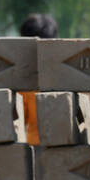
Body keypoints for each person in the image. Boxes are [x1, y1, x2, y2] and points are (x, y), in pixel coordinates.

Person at [18, 13, 58, 144]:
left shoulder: (21, 82)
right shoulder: (63, 76)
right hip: (63, 147)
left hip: (33, 147)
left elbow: (18, 120)